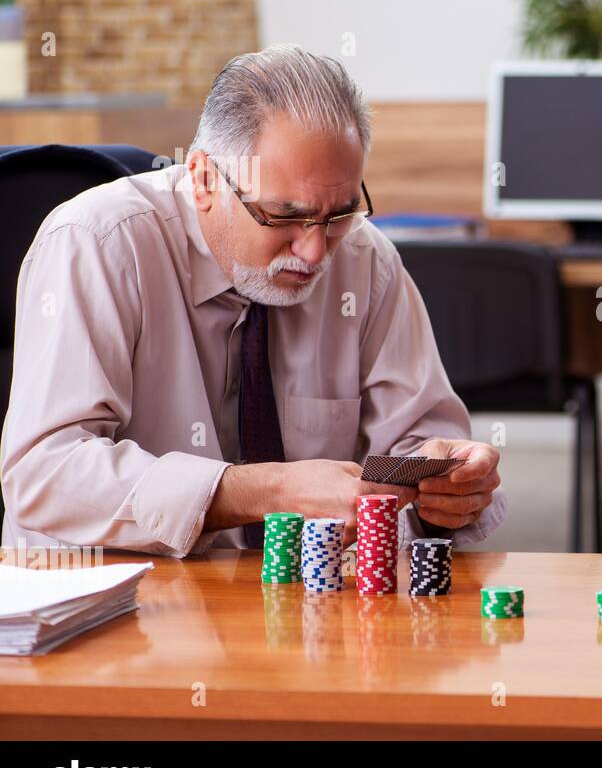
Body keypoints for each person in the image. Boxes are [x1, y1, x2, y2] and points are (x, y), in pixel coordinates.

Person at [1, 44, 505, 556]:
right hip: (112, 606)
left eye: (340, 213)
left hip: (299, 611)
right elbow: (44, 473)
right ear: (202, 180)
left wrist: (447, 489)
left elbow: (420, 444)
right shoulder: (98, 242)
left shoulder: (364, 259)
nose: (314, 250)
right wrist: (265, 491)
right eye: (285, 216)